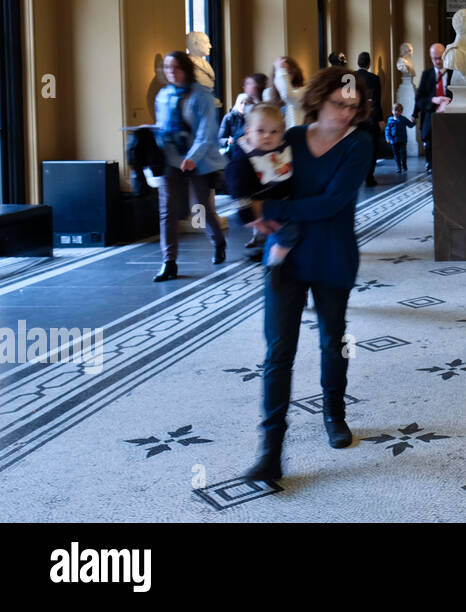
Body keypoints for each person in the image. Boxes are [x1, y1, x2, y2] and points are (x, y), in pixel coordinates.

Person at [243, 66, 373, 481]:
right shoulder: (291, 139)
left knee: (333, 340)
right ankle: (270, 449)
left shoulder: (359, 145)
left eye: (353, 106)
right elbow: (252, 167)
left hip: (333, 255)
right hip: (286, 258)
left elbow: (331, 204)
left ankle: (334, 413)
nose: (346, 113)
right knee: (278, 351)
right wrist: (249, 208)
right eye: (339, 104)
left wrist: (271, 211)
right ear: (318, 99)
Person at [152, 51, 227, 281]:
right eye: (167, 68)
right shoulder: (163, 96)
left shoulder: (202, 96)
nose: (171, 72)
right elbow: (161, 125)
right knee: (168, 210)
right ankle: (169, 261)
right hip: (170, 159)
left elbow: (207, 131)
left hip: (198, 159)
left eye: (175, 67)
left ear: (185, 69)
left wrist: (193, 156)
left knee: (200, 208)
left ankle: (218, 242)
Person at [225, 103, 299, 281]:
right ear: (248, 132)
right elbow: (238, 189)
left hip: (279, 202)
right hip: (252, 206)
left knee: (297, 231)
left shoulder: (282, 151)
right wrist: (249, 216)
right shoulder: (243, 158)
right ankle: (276, 258)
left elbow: (288, 178)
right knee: (290, 233)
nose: (267, 136)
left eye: (274, 132)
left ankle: (281, 262)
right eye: (261, 131)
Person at [414, 42, 452, 172]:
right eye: (434, 58)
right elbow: (419, 100)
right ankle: (431, 166)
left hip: (450, 119)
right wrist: (433, 100)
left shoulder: (453, 74)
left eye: (440, 57)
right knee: (431, 148)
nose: (437, 61)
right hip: (431, 119)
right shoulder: (426, 74)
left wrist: (449, 101)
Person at [355, 51, 383, 187]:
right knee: (372, 148)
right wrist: (380, 119)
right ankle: (369, 177)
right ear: (369, 63)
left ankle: (357, 176)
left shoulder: (349, 78)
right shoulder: (374, 79)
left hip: (355, 120)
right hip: (370, 119)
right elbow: (376, 102)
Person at [264, 56, 306, 127]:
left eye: (288, 73)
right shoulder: (267, 93)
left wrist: (281, 70)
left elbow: (288, 95)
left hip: (293, 134)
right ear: (275, 74)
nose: (286, 76)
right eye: (284, 73)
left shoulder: (302, 91)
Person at [385, 103, 415, 173]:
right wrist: (387, 137)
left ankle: (404, 164)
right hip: (393, 140)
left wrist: (414, 121)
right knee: (396, 154)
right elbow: (387, 129)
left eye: (398, 111)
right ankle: (398, 167)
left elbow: (410, 125)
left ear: (401, 111)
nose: (397, 112)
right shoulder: (390, 120)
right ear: (392, 111)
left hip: (402, 140)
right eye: (395, 110)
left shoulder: (403, 119)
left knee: (403, 154)